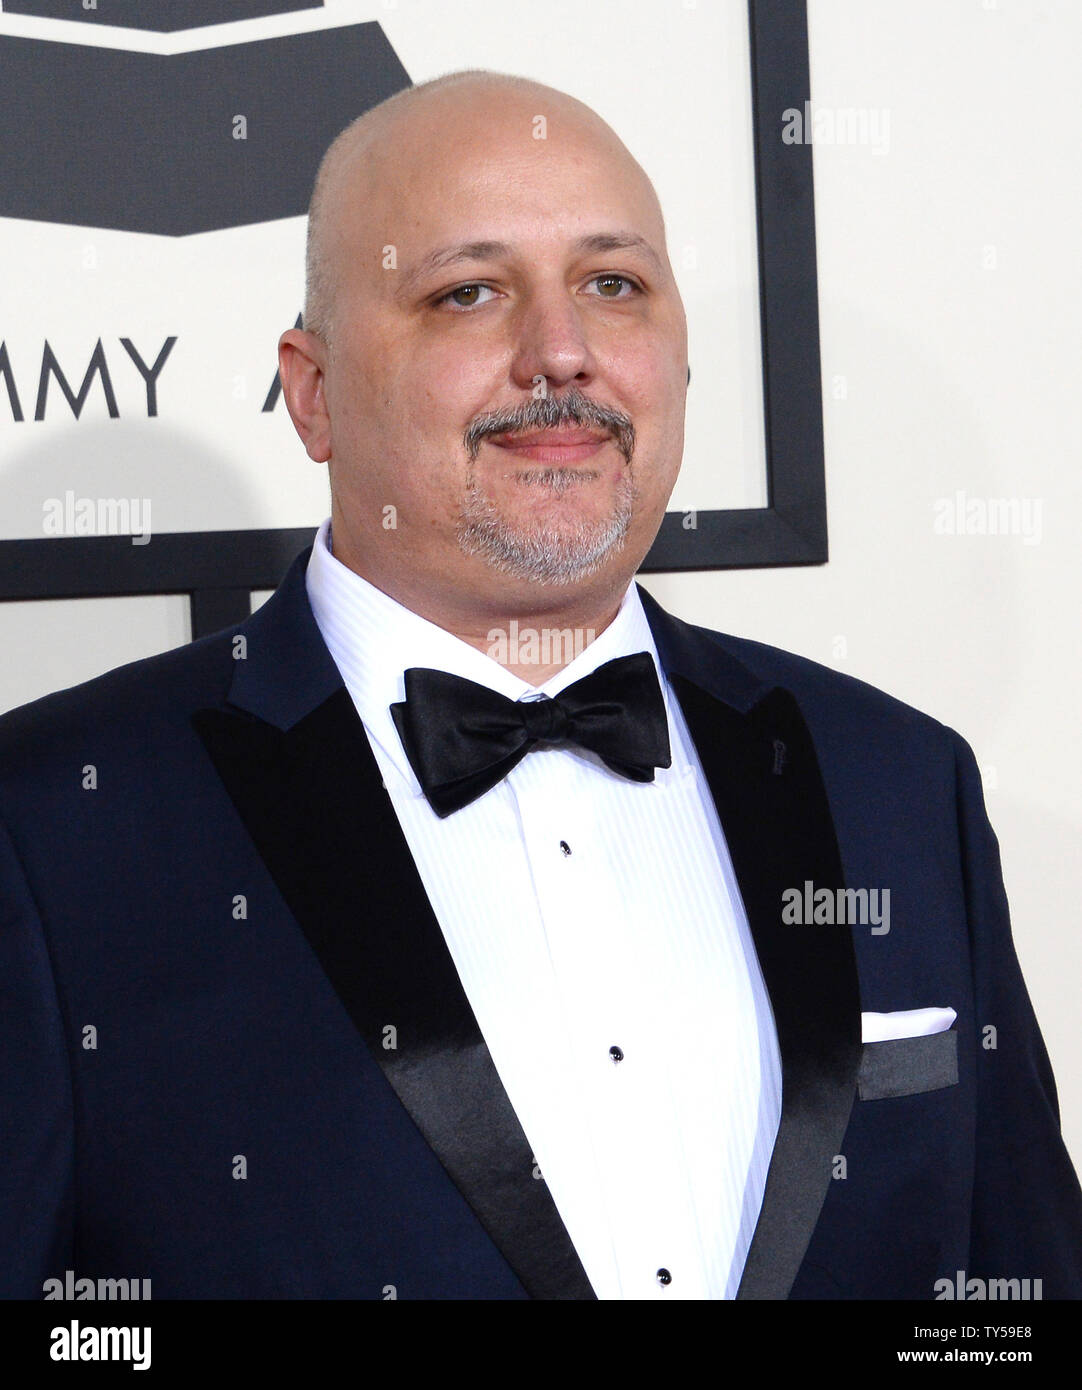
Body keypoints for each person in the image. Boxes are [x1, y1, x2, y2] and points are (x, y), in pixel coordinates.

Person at [1, 69, 1079, 1301]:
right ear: (313, 393)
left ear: (678, 358)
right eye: (468, 292)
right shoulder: (52, 828)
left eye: (610, 285)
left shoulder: (896, 780)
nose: (559, 352)